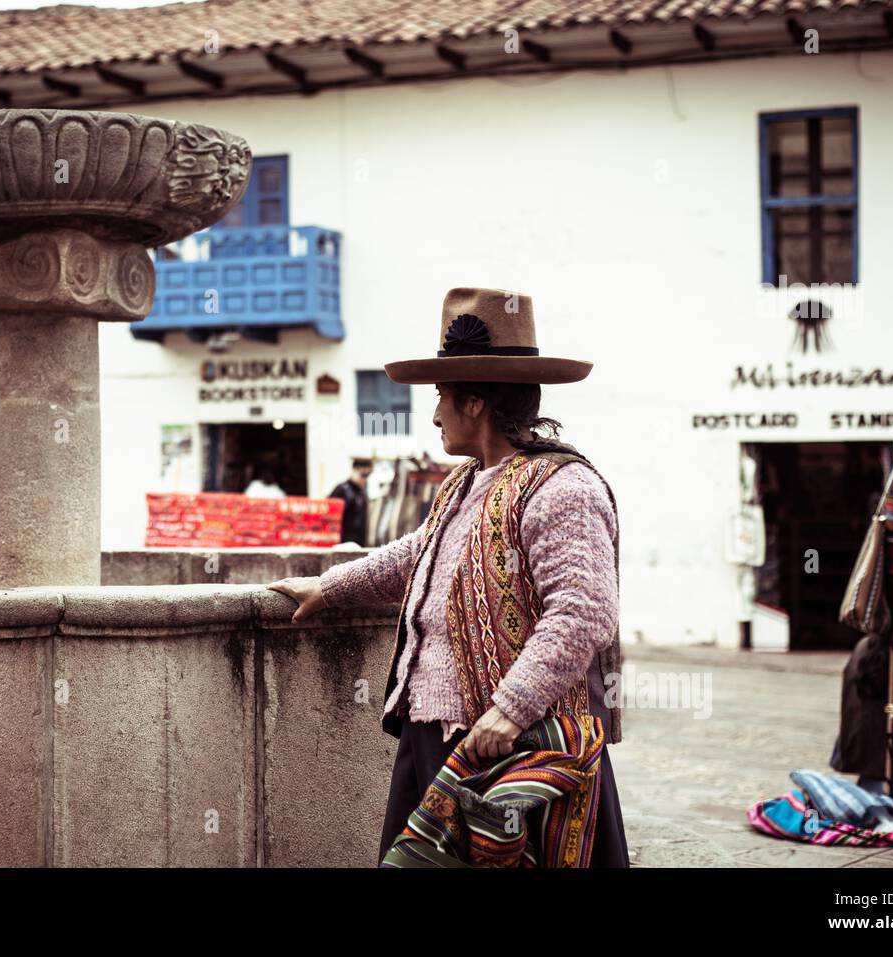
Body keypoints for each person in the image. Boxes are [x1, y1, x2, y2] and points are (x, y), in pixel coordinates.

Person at [268, 287, 628, 867]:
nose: (434, 413)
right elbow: (420, 555)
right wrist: (330, 587)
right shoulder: (462, 484)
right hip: (436, 732)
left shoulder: (564, 488)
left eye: (441, 397)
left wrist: (512, 708)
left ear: (476, 403)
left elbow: (582, 610)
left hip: (514, 744)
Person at [329, 458, 373, 546]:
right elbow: (331, 517)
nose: (365, 479)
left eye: (368, 475)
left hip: (359, 541)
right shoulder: (342, 489)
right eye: (363, 475)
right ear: (354, 470)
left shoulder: (362, 491)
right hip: (344, 542)